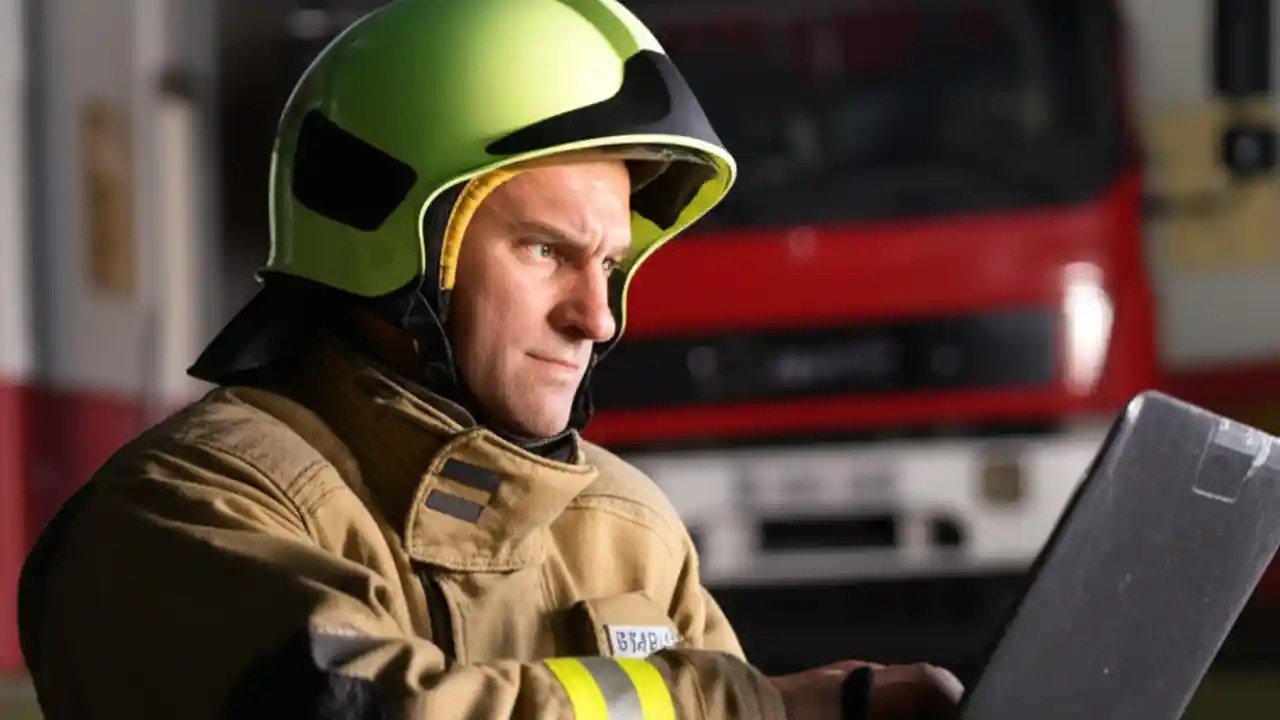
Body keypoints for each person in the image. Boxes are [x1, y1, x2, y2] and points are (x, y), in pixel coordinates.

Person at [17, 1, 963, 718]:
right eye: (546, 250)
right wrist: (757, 705)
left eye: (611, 265)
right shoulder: (188, 510)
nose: (599, 317)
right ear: (390, 238)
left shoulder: (625, 529)